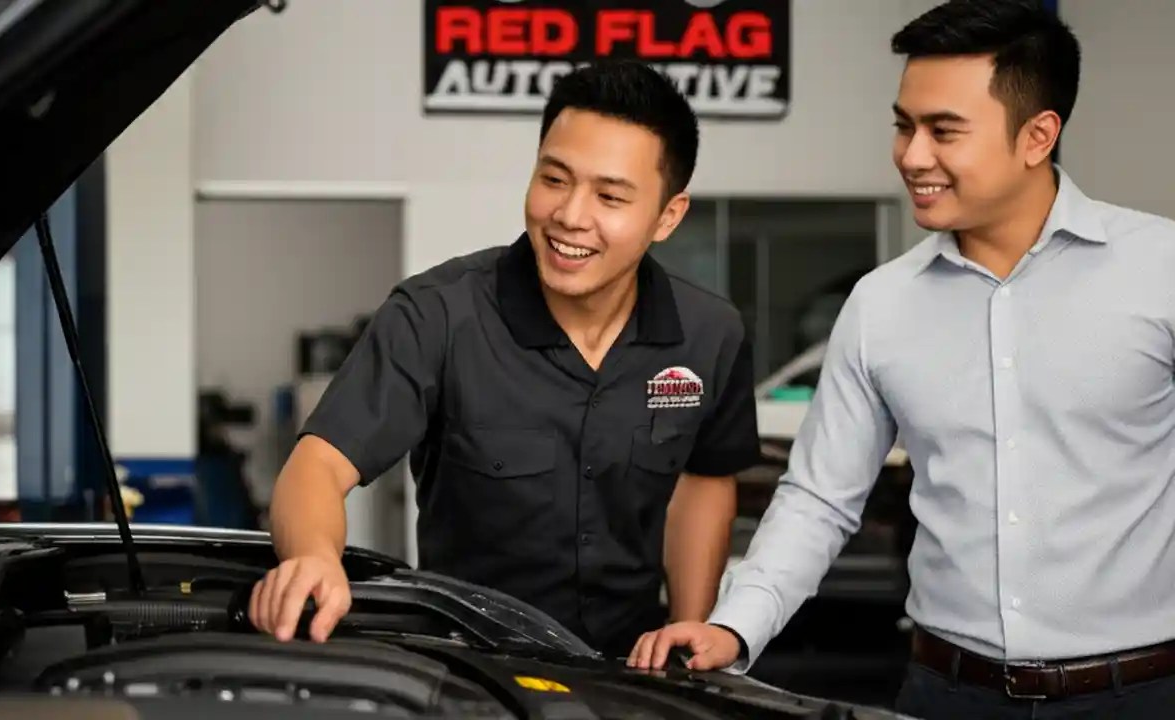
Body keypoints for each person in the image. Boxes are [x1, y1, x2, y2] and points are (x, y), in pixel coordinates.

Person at [628, 0, 1175, 717]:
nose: (912, 155)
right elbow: (820, 500)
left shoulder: (1158, 269)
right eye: (904, 125)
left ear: (1038, 135)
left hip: (1140, 695)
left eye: (944, 131)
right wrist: (735, 625)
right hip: (943, 693)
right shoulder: (881, 304)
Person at [247, 59, 762, 659]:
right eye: (554, 179)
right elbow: (315, 467)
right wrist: (314, 557)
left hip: (630, 681)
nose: (570, 215)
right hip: (469, 677)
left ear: (668, 216)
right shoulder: (437, 316)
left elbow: (702, 484)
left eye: (610, 196)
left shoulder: (709, 334)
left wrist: (690, 630)